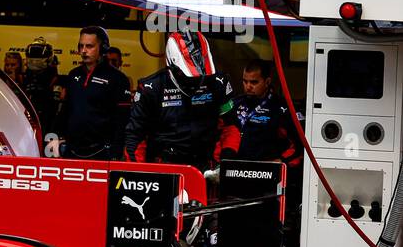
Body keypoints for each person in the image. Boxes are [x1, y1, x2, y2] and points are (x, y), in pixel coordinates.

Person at [124, 30, 240, 171]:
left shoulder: (218, 83)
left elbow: (231, 126)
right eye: (189, 77)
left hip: (206, 167)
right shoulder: (151, 88)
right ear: (172, 66)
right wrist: (137, 174)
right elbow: (135, 136)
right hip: (165, 167)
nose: (195, 82)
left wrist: (226, 161)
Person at [54, 26, 131, 160]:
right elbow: (65, 111)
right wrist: (57, 138)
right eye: (81, 46)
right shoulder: (73, 75)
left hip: (102, 153)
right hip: (72, 151)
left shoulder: (118, 78)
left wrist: (116, 153)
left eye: (89, 46)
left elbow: (122, 120)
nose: (83, 51)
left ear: (103, 49)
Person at [236, 60, 302, 168]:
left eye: (254, 82)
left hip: (265, 172)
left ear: (267, 82)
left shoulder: (281, 108)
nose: (248, 86)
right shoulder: (234, 103)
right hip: (235, 168)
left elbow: (298, 146)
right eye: (245, 81)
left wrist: (281, 161)